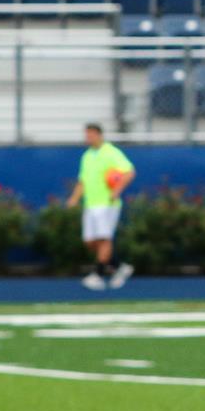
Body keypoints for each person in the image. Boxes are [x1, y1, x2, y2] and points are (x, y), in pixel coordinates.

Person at [67, 123, 134, 291]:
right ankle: (119, 266)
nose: (87, 138)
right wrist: (74, 198)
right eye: (86, 135)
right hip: (91, 204)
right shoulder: (87, 156)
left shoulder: (111, 152)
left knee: (104, 238)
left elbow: (129, 171)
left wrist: (117, 191)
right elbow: (83, 180)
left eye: (90, 135)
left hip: (107, 204)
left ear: (99, 135)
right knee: (90, 241)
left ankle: (97, 275)